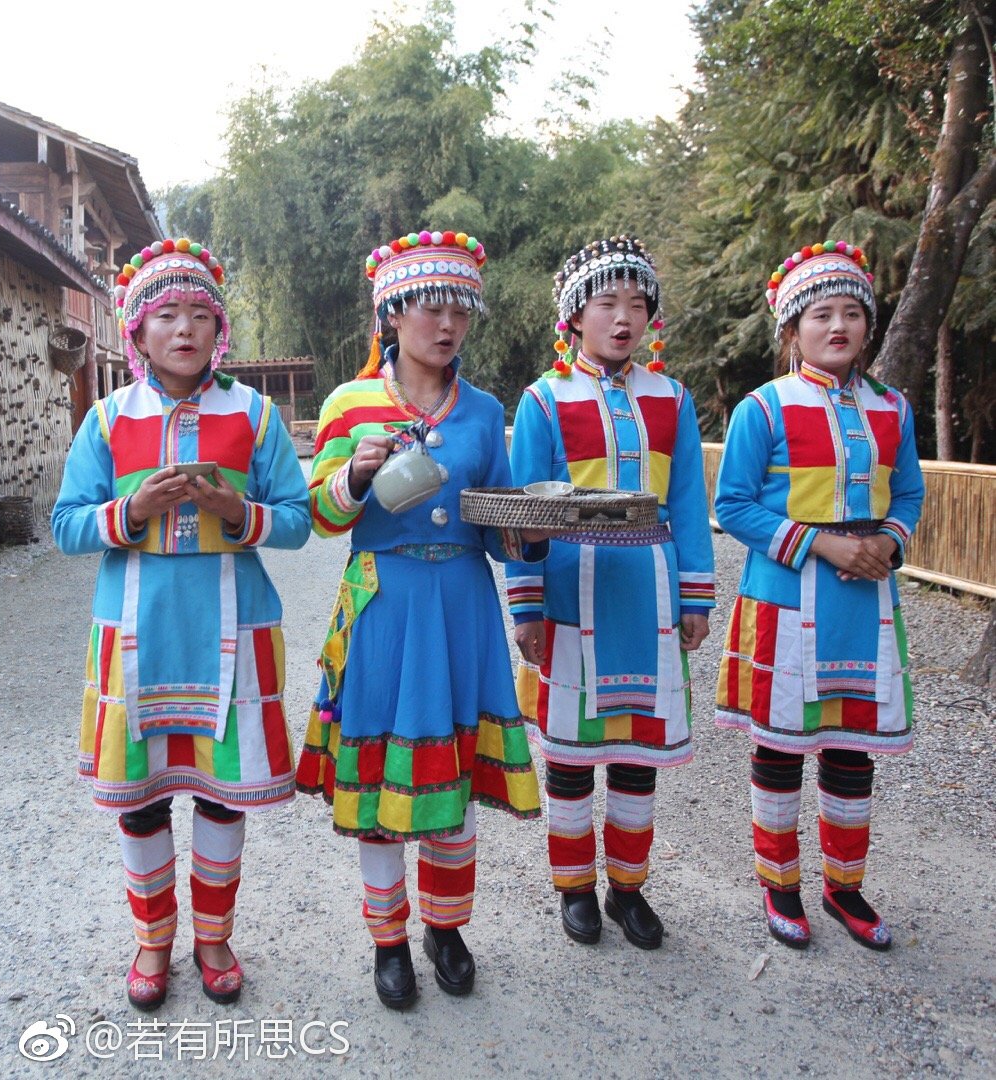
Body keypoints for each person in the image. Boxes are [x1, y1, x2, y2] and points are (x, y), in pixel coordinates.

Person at [51, 239, 308, 1010]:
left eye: (201, 313)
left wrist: (239, 511)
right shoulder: (107, 419)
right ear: (136, 331)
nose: (185, 329)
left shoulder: (254, 415)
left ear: (220, 329)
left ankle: (215, 937)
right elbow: (65, 526)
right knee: (144, 797)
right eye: (166, 314)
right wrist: (133, 511)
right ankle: (152, 940)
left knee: (225, 794)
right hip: (137, 633)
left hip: (236, 627)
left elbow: (297, 523)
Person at [296, 229, 544, 1010]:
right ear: (393, 315)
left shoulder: (483, 412)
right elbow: (320, 519)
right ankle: (389, 940)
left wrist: (528, 533)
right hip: (383, 605)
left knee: (452, 777)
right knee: (377, 781)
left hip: (461, 604)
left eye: (461, 312)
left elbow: (499, 523)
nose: (448, 327)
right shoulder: (348, 405)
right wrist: (356, 477)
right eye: (432, 309)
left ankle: (447, 928)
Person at [506, 236, 715, 950]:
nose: (624, 319)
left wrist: (694, 598)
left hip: (649, 594)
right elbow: (525, 510)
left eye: (637, 304)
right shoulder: (543, 399)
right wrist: (527, 604)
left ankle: (629, 888)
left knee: (635, 754)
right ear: (574, 316)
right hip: (573, 589)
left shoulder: (671, 398)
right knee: (569, 754)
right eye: (606, 303)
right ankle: (574, 889)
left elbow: (686, 499)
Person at [715, 240, 923, 951]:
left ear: (868, 325)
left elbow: (913, 493)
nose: (837, 327)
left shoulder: (892, 409)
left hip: (863, 604)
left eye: (851, 314)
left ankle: (845, 887)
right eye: (820, 315)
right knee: (779, 749)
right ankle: (779, 886)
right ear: (792, 330)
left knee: (850, 749)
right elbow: (735, 505)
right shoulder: (763, 408)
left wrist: (889, 542)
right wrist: (826, 543)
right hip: (782, 599)